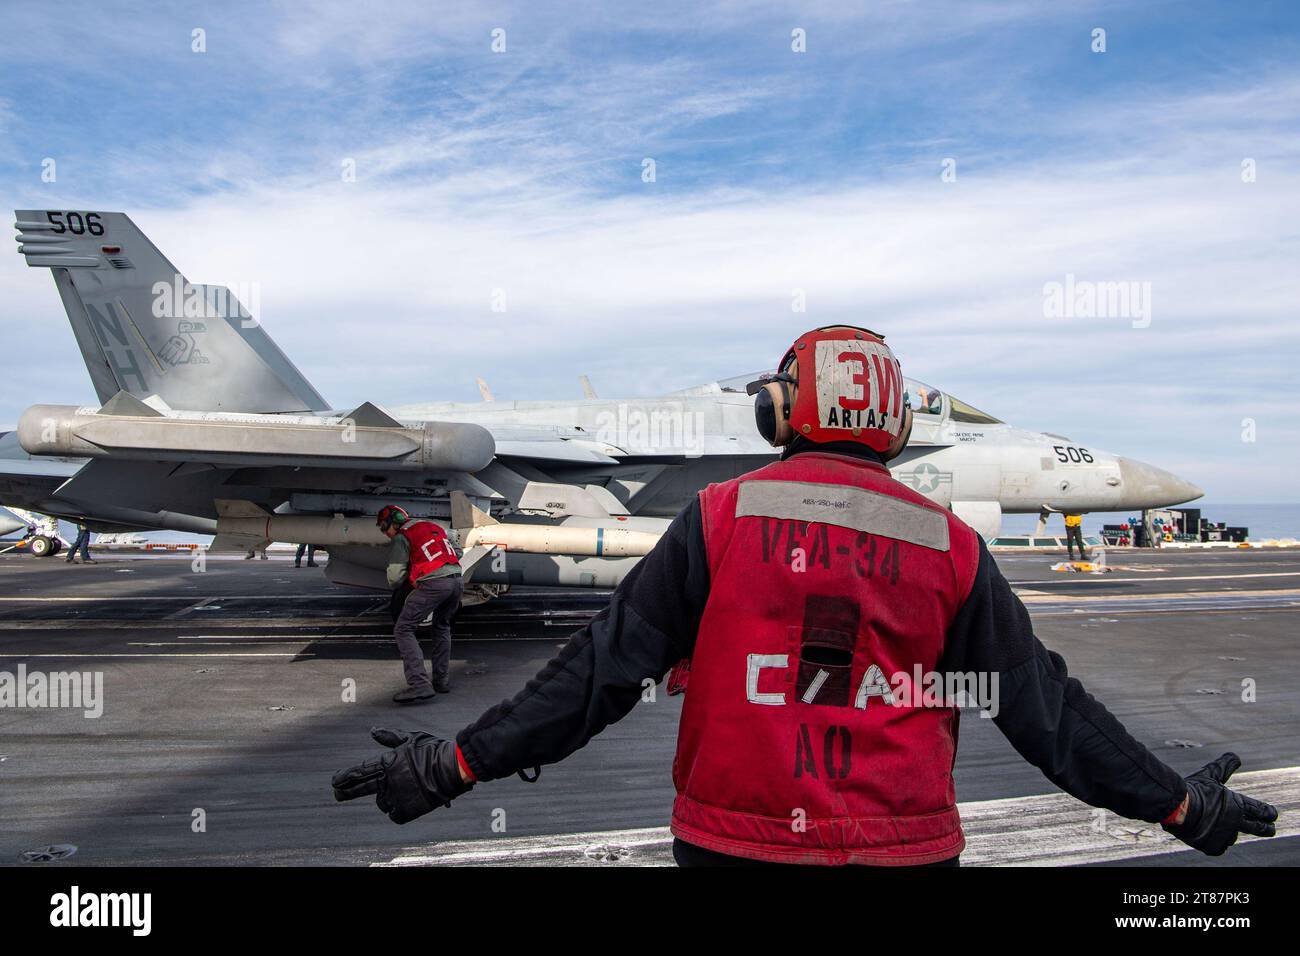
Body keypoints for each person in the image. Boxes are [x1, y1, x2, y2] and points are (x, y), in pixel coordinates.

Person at [334, 326, 1277, 865]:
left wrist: (456, 765)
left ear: (780, 412)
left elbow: (596, 677)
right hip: (902, 852)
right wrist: (1178, 808)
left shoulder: (717, 519)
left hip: (733, 852)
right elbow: (1045, 715)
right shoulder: (948, 546)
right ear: (895, 419)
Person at [376, 505, 463, 704]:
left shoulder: (402, 535)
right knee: (441, 626)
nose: (385, 533)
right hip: (457, 581)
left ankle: (419, 684)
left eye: (383, 527)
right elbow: (457, 552)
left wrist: (413, 572)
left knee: (403, 629)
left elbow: (394, 578)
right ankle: (441, 680)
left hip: (434, 584)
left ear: (392, 523)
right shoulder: (435, 528)